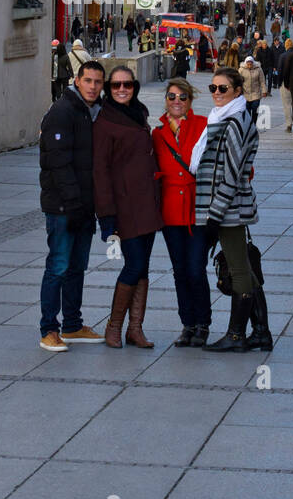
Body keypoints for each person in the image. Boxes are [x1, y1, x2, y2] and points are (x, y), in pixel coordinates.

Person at [192, 66, 272, 353]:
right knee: (243, 268)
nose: (216, 93)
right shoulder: (224, 118)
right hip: (225, 207)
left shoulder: (236, 122)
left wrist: (214, 214)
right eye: (213, 88)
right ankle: (261, 332)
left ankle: (236, 335)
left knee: (238, 270)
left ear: (238, 91)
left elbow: (233, 172)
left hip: (228, 209)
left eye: (222, 88)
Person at [38, 59, 107, 350]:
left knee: (77, 266)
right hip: (63, 206)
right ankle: (48, 329)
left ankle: (73, 325)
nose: (93, 86)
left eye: (98, 82)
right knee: (59, 265)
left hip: (84, 206)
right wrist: (73, 203)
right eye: (88, 80)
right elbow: (57, 160)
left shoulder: (94, 112)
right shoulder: (63, 111)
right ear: (77, 81)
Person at [93, 66, 163, 348]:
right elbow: (100, 172)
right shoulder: (104, 122)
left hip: (147, 203)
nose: (122, 89)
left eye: (128, 84)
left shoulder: (140, 113)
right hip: (125, 207)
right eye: (115, 85)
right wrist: (107, 216)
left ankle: (135, 328)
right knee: (133, 265)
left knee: (143, 267)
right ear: (108, 90)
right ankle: (114, 326)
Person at [152, 78, 212, 347]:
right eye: (172, 96)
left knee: (196, 268)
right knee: (179, 270)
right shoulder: (157, 133)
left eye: (182, 97)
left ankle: (203, 323)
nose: (177, 101)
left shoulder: (203, 126)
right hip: (170, 212)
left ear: (190, 100)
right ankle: (187, 324)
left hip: (199, 209)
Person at [239, 54, 266, 122]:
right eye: (248, 64)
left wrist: (264, 91)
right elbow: (238, 81)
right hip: (245, 93)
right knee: (247, 111)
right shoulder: (241, 70)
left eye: (251, 64)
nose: (249, 65)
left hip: (256, 93)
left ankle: (253, 123)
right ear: (246, 63)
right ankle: (248, 124)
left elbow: (262, 81)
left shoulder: (258, 69)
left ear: (253, 63)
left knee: (255, 109)